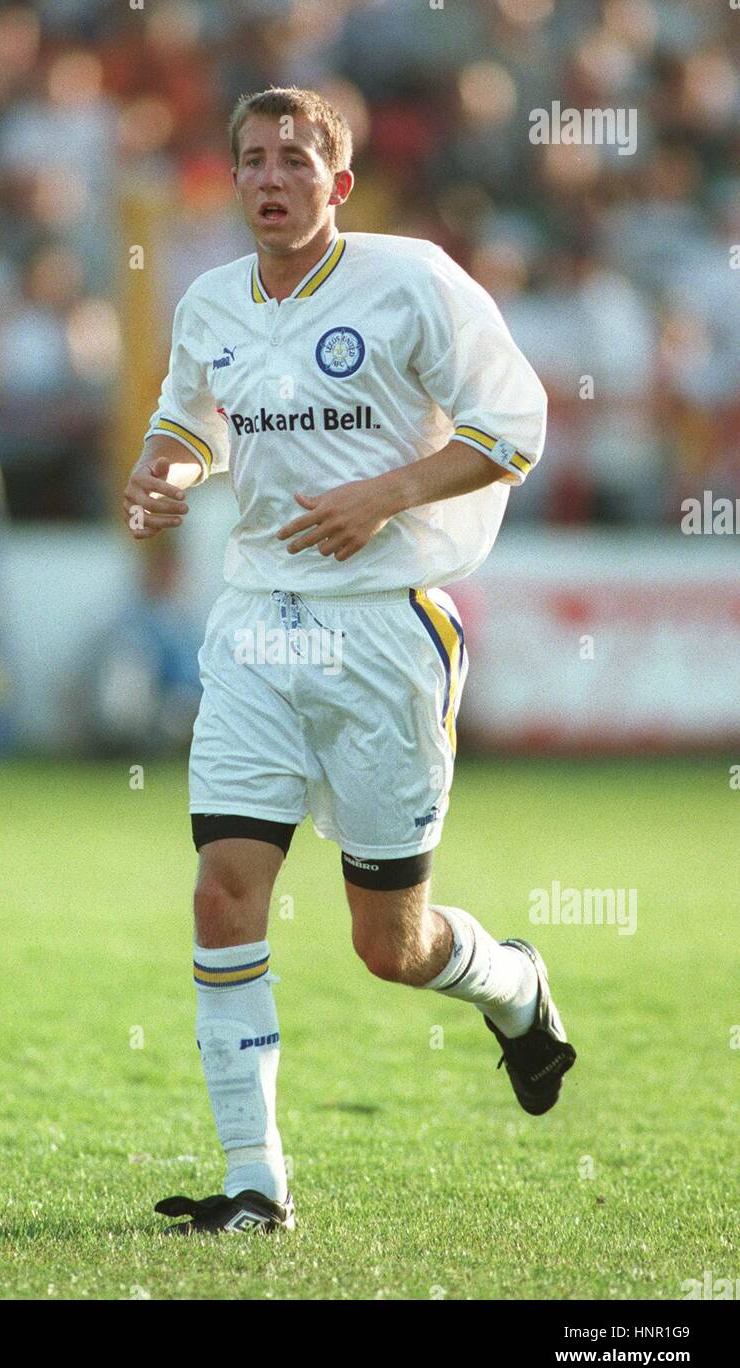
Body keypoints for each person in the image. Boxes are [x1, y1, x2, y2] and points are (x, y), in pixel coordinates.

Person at [123, 86, 575, 1236]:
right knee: (225, 888)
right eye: (249, 160)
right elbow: (190, 422)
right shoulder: (211, 301)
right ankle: (254, 1181)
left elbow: (513, 426)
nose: (268, 178)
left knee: (393, 945)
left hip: (385, 627)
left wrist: (387, 493)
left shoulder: (412, 279)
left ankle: (515, 986)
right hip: (256, 624)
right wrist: (165, 476)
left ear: (340, 182)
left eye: (291, 159)